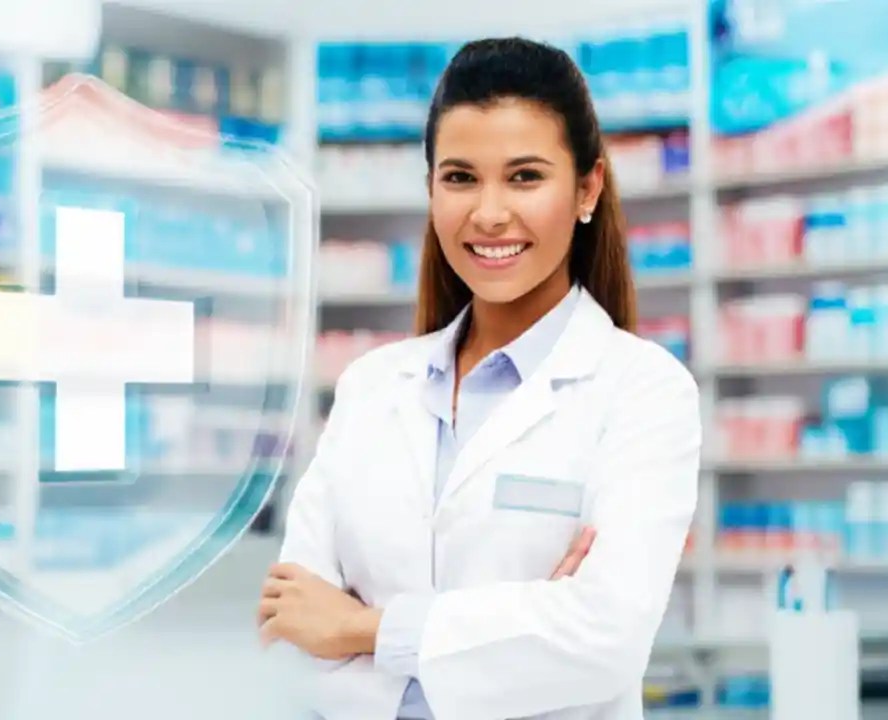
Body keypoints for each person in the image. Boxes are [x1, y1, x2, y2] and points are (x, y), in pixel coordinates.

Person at [256, 36, 702, 720]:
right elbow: (292, 621)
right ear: (431, 188)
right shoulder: (372, 386)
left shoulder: (642, 391)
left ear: (587, 188)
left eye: (525, 177)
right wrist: (521, 624)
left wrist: (363, 628)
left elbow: (604, 639)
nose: (490, 214)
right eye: (460, 177)